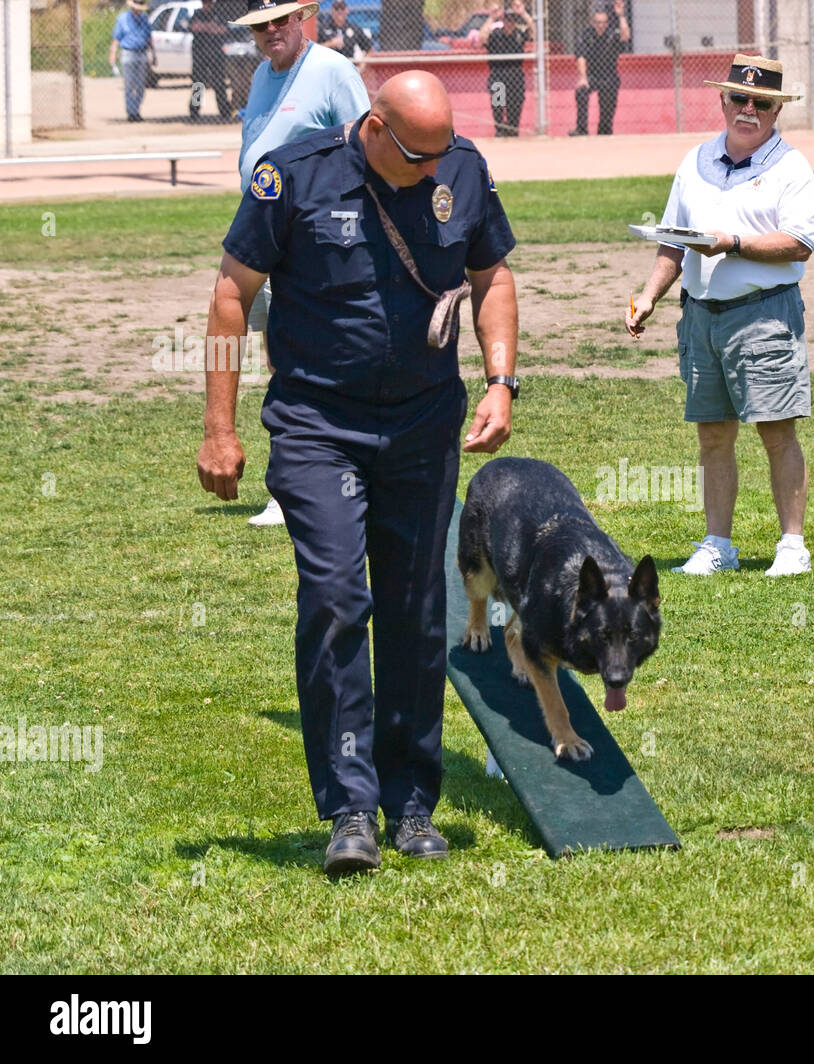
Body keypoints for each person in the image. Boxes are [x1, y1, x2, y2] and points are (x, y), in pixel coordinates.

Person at [196, 70, 520, 876]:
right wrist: (218, 427)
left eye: (442, 155)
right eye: (418, 158)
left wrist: (502, 379)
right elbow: (233, 294)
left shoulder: (462, 168)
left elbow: (494, 277)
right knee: (339, 598)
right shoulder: (293, 176)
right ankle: (348, 807)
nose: (433, 173)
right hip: (318, 427)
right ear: (374, 129)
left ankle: (411, 803)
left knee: (415, 609)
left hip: (422, 424)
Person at [625, 54, 814, 578]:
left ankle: (792, 545)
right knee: (712, 435)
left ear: (777, 109)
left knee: (777, 432)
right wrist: (649, 296)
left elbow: (798, 244)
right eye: (739, 98)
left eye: (761, 102)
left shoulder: (791, 167)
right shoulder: (696, 161)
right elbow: (674, 240)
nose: (748, 109)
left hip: (762, 315)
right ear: (723, 100)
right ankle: (718, 544)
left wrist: (731, 243)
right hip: (700, 319)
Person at [231, 0, 372, 527]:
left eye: (279, 20)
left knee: (316, 361)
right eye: (260, 25)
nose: (271, 31)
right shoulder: (260, 76)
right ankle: (297, 485)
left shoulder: (333, 69)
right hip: (265, 240)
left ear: (300, 19)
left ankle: (311, 489)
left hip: (315, 246)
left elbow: (363, 147)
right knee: (279, 362)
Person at [570, 1, 629, 137]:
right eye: (597, 22)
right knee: (581, 91)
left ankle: (604, 132)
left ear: (607, 23)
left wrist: (621, 16)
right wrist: (583, 78)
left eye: (603, 22)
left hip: (609, 75)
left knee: (607, 110)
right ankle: (582, 130)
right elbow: (581, 56)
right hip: (593, 74)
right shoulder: (587, 34)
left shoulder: (613, 33)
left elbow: (625, 36)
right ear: (593, 22)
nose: (600, 25)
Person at [485, 2, 534, 137]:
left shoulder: (519, 34)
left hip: (515, 74)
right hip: (498, 74)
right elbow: (481, 38)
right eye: (507, 19)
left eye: (513, 20)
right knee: (498, 104)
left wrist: (523, 13)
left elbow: (534, 32)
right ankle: (500, 129)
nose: (510, 23)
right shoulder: (496, 34)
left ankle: (513, 129)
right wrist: (491, 18)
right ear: (503, 20)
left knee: (515, 104)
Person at [108, 0, 155, 124]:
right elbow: (116, 38)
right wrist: (112, 53)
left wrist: (154, 54)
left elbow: (149, 38)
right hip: (128, 53)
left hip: (142, 52)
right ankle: (131, 113)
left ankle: (136, 110)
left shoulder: (144, 19)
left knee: (140, 85)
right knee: (129, 85)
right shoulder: (123, 18)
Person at [190, 0, 233, 122]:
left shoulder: (218, 14)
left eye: (209, 3)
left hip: (216, 55)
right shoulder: (197, 13)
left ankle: (224, 111)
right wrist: (211, 27)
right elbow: (193, 27)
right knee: (198, 83)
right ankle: (194, 110)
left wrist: (204, 27)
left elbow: (223, 30)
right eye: (205, 2)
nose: (206, 5)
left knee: (219, 82)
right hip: (199, 54)